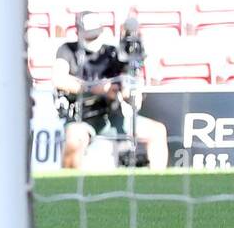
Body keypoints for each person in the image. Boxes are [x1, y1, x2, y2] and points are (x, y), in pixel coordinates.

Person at [52, 16, 167, 170]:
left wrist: (129, 91)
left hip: (113, 115)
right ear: (79, 32)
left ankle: (158, 183)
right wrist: (94, 88)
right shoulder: (67, 50)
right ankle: (69, 187)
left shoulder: (113, 53)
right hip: (82, 116)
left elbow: (127, 85)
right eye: (89, 35)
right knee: (74, 140)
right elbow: (59, 79)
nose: (93, 39)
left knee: (157, 132)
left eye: (95, 34)